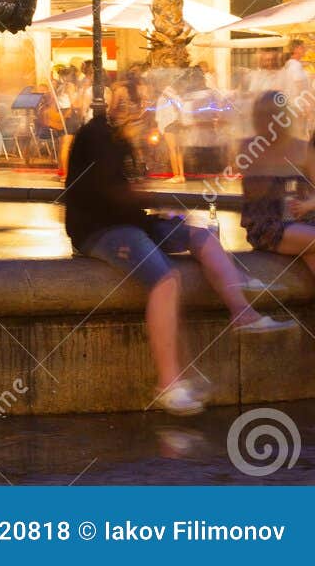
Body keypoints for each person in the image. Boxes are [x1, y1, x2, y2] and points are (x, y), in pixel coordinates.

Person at [62, 116, 291, 417]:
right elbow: (107, 192)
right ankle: (168, 384)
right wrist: (144, 198)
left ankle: (243, 313)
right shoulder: (97, 138)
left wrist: (152, 207)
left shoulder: (115, 139)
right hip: (103, 230)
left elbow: (123, 191)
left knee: (203, 237)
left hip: (134, 220)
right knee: (166, 280)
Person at [240, 90, 315, 277]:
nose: (267, 120)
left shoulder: (303, 148)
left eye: (272, 114)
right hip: (266, 226)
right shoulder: (249, 147)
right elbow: (254, 196)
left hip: (305, 220)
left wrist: (308, 204)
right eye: (262, 115)